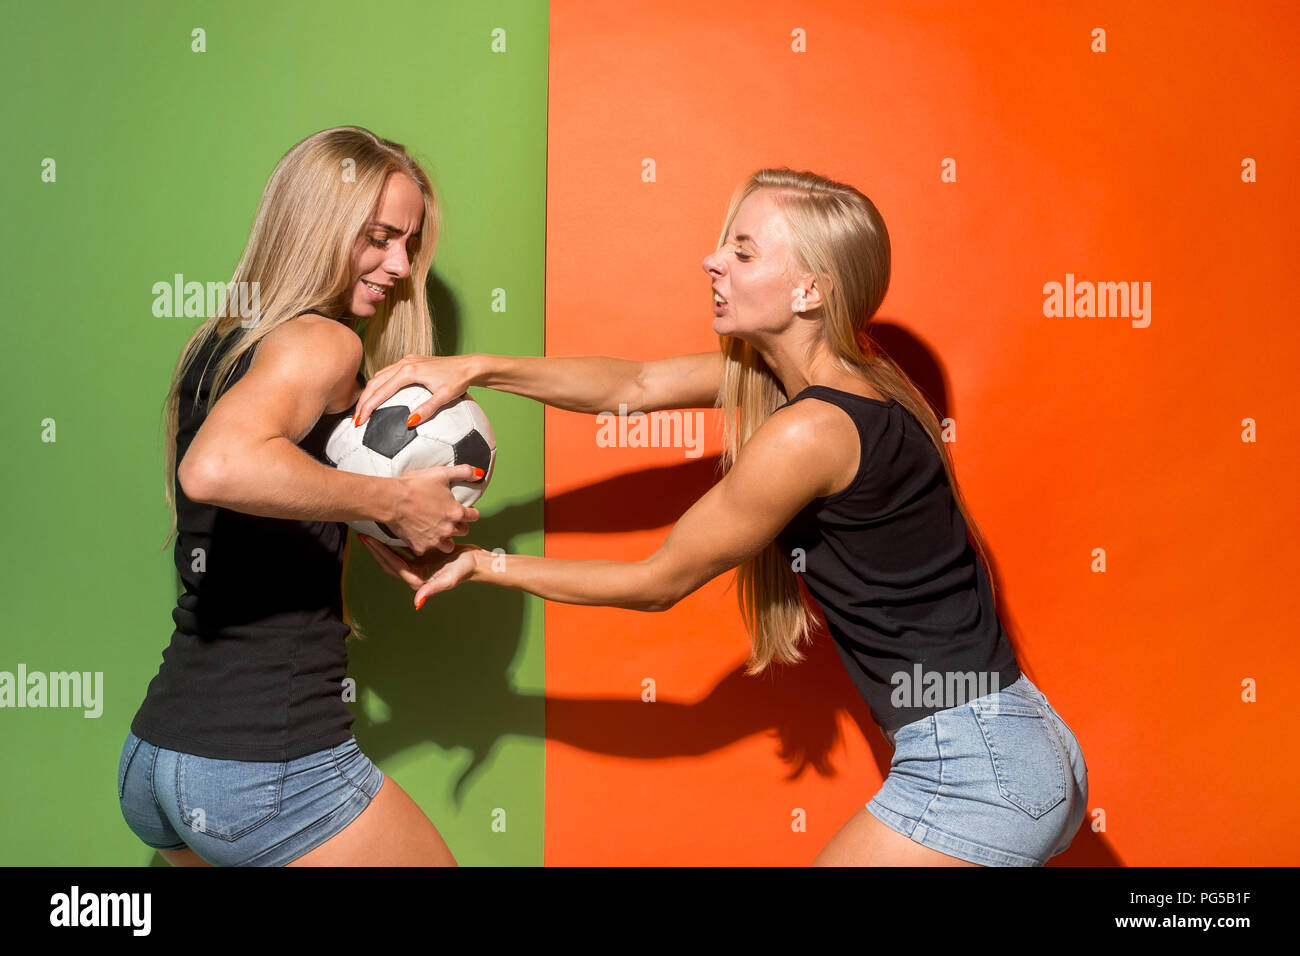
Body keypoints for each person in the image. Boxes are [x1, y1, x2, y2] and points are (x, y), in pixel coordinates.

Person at [354, 167, 1089, 866]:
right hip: (1019, 740)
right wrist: (479, 368)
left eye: (742, 250)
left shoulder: (810, 433)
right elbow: (634, 386)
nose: (712, 261)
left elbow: (656, 581)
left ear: (809, 289)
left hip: (976, 768)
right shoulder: (843, 379)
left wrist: (488, 564)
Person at [118, 126, 481, 866]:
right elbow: (216, 470)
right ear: (319, 225)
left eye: (409, 244)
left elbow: (261, 499)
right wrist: (392, 503)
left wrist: (365, 518)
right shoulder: (325, 342)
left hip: (158, 757)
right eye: (379, 238)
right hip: (261, 769)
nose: (401, 266)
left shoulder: (221, 339)